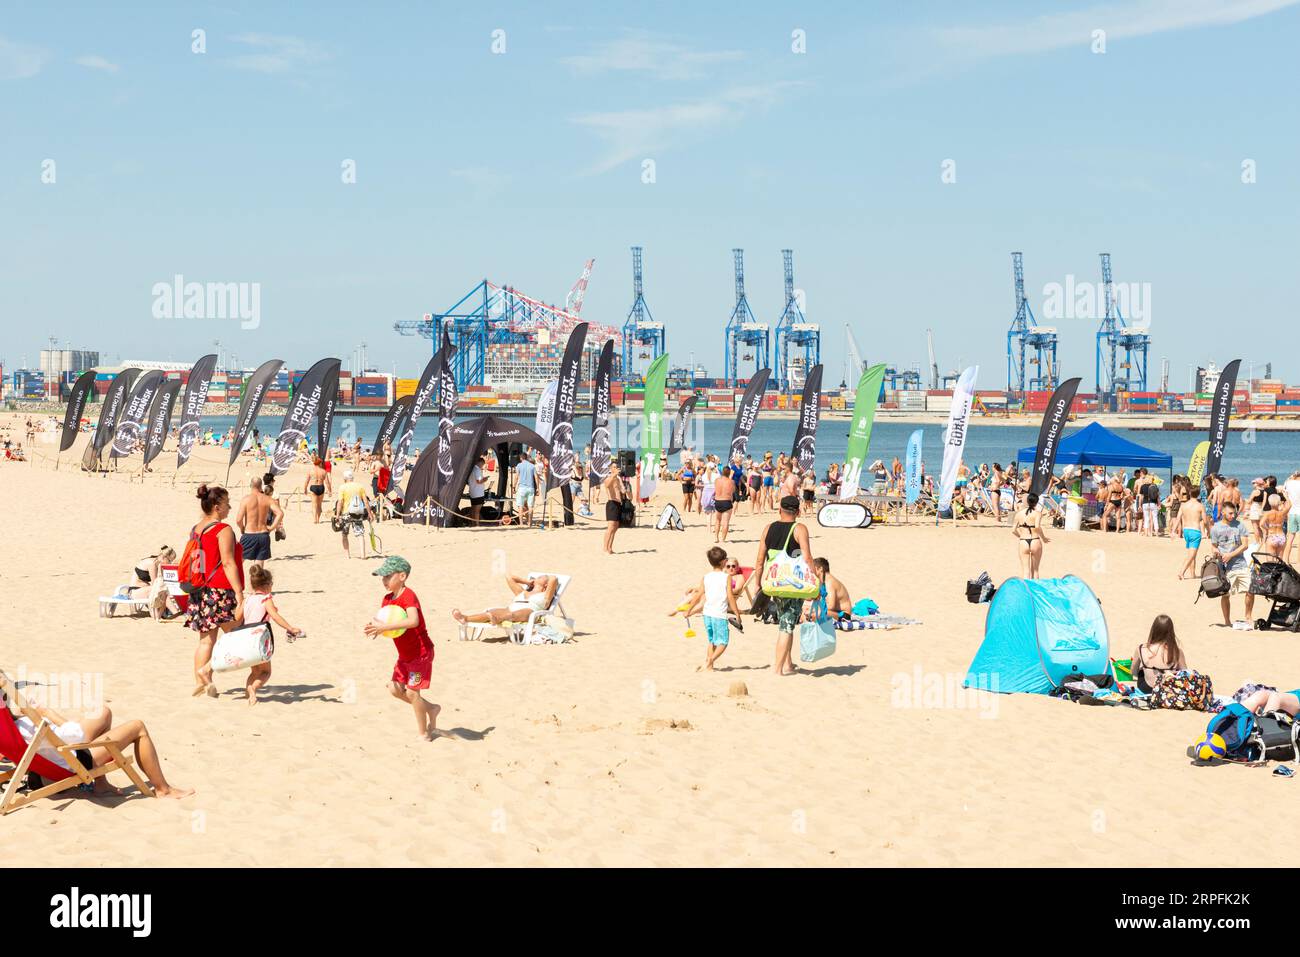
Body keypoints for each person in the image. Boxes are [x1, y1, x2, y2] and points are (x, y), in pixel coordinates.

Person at [1, 669, 195, 800]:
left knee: (103, 712)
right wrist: (48, 714)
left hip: (54, 758)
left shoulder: (12, 726)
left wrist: (30, 715)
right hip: (73, 760)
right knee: (138, 727)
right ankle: (164, 790)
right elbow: (73, 736)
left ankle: (101, 783)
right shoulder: (28, 727)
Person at [364, 556, 440, 740]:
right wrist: (375, 628)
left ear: (402, 576)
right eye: (382, 578)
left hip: (421, 654)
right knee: (394, 688)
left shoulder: (408, 595)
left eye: (387, 576)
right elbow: (386, 624)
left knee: (413, 693)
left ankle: (423, 733)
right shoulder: (387, 599)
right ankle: (431, 708)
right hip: (405, 656)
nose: (384, 581)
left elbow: (413, 621)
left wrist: (384, 627)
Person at [187, 485, 245, 698]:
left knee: (205, 640)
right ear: (217, 507)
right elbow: (228, 563)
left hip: (200, 589)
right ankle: (206, 671)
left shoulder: (196, 528)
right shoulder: (223, 530)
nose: (230, 507)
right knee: (235, 635)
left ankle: (199, 683)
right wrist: (239, 592)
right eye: (228, 503)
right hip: (219, 589)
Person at [753, 496, 814, 677]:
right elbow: (807, 558)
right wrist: (814, 581)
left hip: (773, 582)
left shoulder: (768, 528)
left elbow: (759, 560)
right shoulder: (799, 529)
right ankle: (778, 669)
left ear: (779, 509)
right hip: (792, 584)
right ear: (798, 512)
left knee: (787, 620)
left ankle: (788, 663)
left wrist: (757, 583)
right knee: (786, 626)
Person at [234, 565, 304, 706]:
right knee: (266, 671)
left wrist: (239, 603)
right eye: (271, 584)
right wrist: (290, 628)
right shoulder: (266, 599)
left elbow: (237, 617)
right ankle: (253, 689)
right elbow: (275, 616)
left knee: (254, 672)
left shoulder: (247, 599)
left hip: (246, 639)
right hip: (259, 639)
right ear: (267, 585)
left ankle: (249, 695)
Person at [678, 547, 741, 672]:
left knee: (712, 641)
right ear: (723, 562)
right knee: (723, 642)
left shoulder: (706, 577)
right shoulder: (726, 577)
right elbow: (730, 596)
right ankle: (709, 661)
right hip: (719, 615)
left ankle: (709, 667)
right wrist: (737, 613)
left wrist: (689, 610)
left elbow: (698, 595)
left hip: (707, 614)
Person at [451, 572, 558, 628]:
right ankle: (464, 618)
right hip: (510, 609)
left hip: (530, 612)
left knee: (512, 615)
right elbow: (509, 577)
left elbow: (554, 579)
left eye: (541, 577)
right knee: (490, 613)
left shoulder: (545, 595)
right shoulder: (522, 592)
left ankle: (497, 618)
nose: (537, 577)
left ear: (546, 585)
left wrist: (548, 582)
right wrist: (526, 582)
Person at [1210, 501, 1254, 627]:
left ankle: (1248, 616)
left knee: (1251, 590)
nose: (1232, 515)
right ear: (1222, 512)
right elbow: (1213, 546)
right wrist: (1216, 553)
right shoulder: (1216, 528)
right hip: (1225, 568)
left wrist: (1230, 555)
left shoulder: (1240, 525)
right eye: (1230, 513)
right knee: (1225, 595)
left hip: (1241, 564)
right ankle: (1227, 621)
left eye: (1234, 513)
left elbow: (1245, 545)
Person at [1128, 615, 1189, 696]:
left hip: (1147, 689)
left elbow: (1133, 672)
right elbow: (1185, 674)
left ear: (1153, 630)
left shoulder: (1141, 648)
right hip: (1169, 689)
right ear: (1171, 631)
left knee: (1141, 671)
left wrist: (1145, 669)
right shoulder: (1177, 651)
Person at [234, 474, 282, 573]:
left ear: (250, 486)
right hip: (263, 534)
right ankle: (256, 588)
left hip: (249, 534)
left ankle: (232, 586)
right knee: (258, 569)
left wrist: (242, 528)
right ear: (261, 486)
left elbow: (238, 519)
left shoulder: (246, 499)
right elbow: (280, 513)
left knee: (237, 563)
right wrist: (272, 527)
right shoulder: (268, 499)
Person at [334, 468, 375, 559]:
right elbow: (366, 502)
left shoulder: (342, 487)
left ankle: (347, 555)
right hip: (358, 513)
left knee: (344, 534)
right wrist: (370, 513)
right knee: (360, 534)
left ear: (344, 479)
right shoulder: (360, 486)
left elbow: (340, 502)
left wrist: (337, 515)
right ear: (352, 478)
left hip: (346, 513)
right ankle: (363, 555)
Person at [1176, 489, 1211, 580]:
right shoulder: (1200, 506)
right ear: (1198, 494)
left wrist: (1173, 530)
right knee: (1191, 555)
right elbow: (1205, 520)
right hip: (1195, 531)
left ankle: (1192, 574)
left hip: (1186, 531)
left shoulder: (1184, 505)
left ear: (1190, 493)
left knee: (1192, 553)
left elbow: (1178, 518)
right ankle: (1181, 572)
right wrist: (1208, 531)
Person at [1012, 492, 1048, 579]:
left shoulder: (1019, 514)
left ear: (1027, 501)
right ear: (1036, 502)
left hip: (1023, 541)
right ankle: (1035, 591)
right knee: (1035, 571)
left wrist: (1021, 536)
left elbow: (1013, 530)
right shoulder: (1037, 513)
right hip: (1035, 540)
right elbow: (1037, 527)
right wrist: (1043, 538)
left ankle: (1026, 591)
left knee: (1025, 571)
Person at [602, 467, 626, 554]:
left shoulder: (618, 478)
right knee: (610, 527)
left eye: (617, 467)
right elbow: (607, 485)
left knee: (615, 527)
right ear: (611, 469)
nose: (617, 469)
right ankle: (605, 548)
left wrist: (622, 483)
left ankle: (610, 548)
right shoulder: (608, 477)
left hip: (618, 504)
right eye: (615, 467)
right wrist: (614, 475)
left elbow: (623, 491)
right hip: (611, 503)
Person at [303, 455, 331, 524]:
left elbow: (306, 481)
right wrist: (330, 491)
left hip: (313, 487)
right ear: (320, 463)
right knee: (319, 505)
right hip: (321, 487)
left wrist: (305, 489)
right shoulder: (324, 471)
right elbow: (327, 483)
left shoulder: (310, 471)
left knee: (314, 505)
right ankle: (318, 519)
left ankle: (315, 520)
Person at [713, 463, 736, 543]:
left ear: (722, 472)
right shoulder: (731, 482)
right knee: (725, 522)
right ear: (729, 473)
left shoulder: (716, 480)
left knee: (717, 520)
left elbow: (715, 489)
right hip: (726, 501)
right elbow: (732, 491)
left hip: (718, 501)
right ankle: (723, 539)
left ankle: (716, 538)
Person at [515, 450, 537, 526]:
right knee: (530, 506)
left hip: (522, 488)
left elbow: (516, 477)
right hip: (531, 487)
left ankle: (521, 523)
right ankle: (529, 523)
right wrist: (537, 488)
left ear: (521, 458)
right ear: (526, 457)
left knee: (520, 506)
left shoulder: (519, 465)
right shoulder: (532, 466)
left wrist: (514, 486)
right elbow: (536, 477)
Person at [1284, 469, 1300, 564]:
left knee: (1290, 538)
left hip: (1291, 512)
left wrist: (1290, 477)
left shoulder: (1289, 483)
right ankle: (1298, 560)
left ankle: (1286, 559)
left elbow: (1283, 488)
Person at [468, 453, 488, 525]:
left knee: (473, 509)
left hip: (473, 492)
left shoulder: (471, 469)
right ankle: (477, 524)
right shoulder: (477, 470)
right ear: (480, 463)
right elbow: (479, 481)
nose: (482, 466)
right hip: (478, 493)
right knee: (477, 510)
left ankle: (473, 523)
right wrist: (485, 479)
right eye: (483, 464)